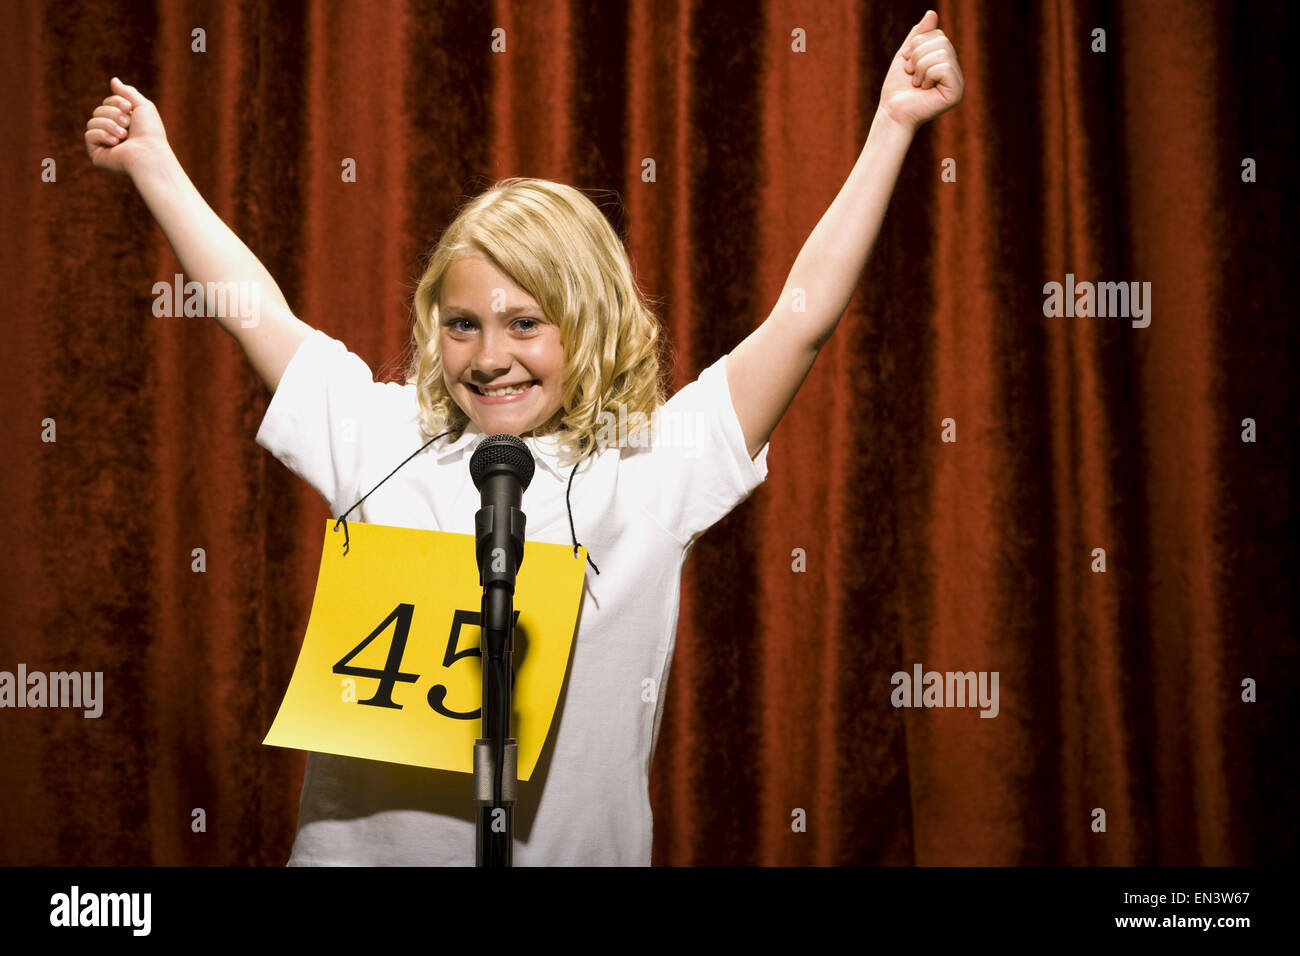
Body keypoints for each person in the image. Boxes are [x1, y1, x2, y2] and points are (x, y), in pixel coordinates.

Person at [84, 10, 963, 865]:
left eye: (525, 322)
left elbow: (797, 326)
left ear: (587, 324)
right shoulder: (386, 433)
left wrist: (890, 127)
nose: (490, 356)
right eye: (462, 323)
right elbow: (255, 311)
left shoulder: (649, 463)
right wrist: (155, 165)